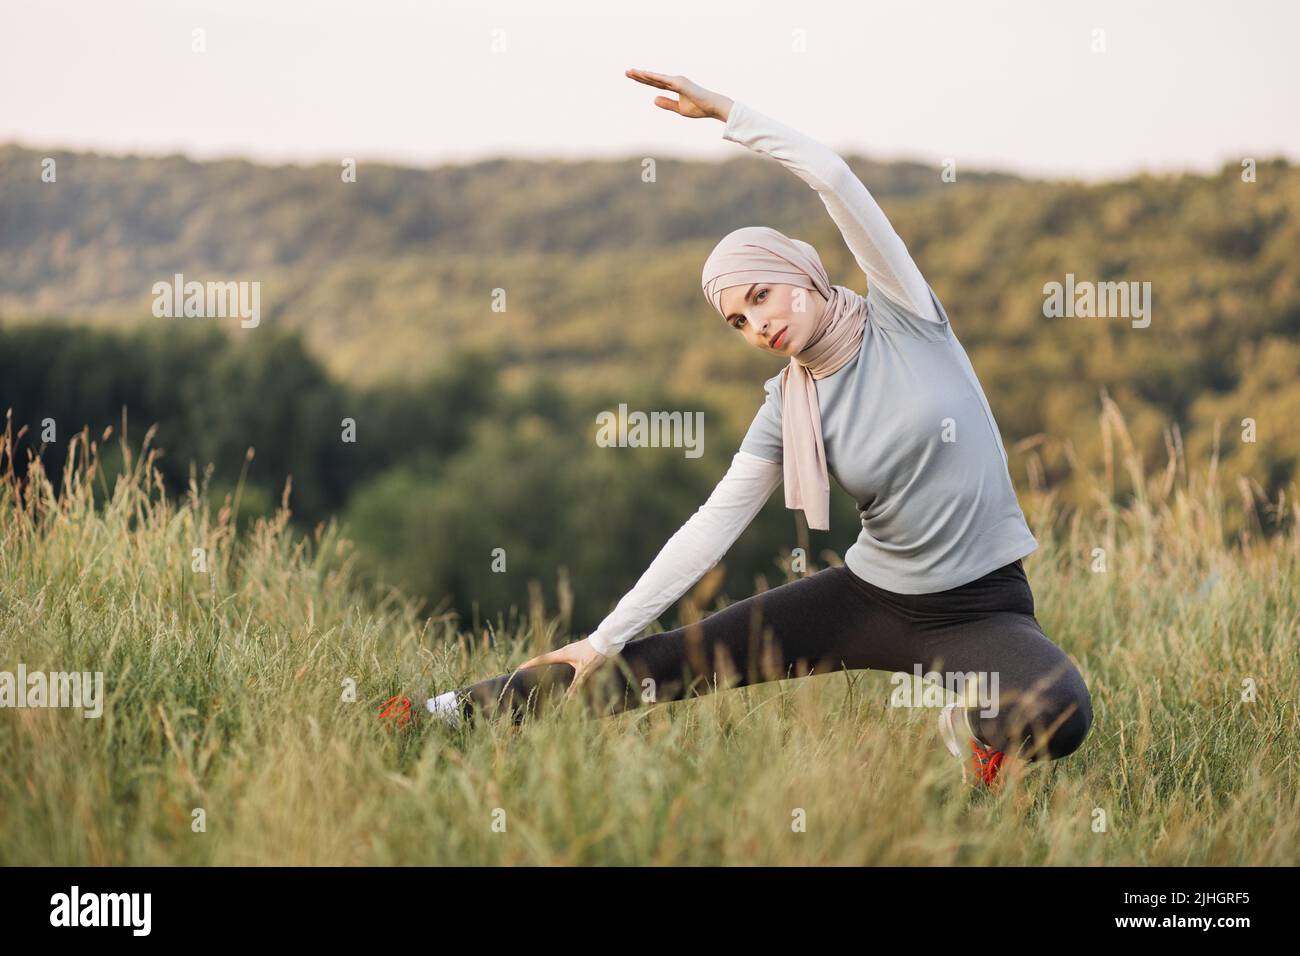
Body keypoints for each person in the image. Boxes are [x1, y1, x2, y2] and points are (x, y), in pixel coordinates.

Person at [379, 70, 1093, 787]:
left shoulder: (907, 317)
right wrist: (604, 636)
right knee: (658, 667)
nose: (759, 326)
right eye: (739, 321)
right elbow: (710, 526)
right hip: (871, 599)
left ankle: (974, 728)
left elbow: (836, 178)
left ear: (801, 274)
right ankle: (437, 715)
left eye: (762, 296)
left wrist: (729, 113)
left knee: (1059, 712)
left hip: (982, 605)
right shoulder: (787, 407)